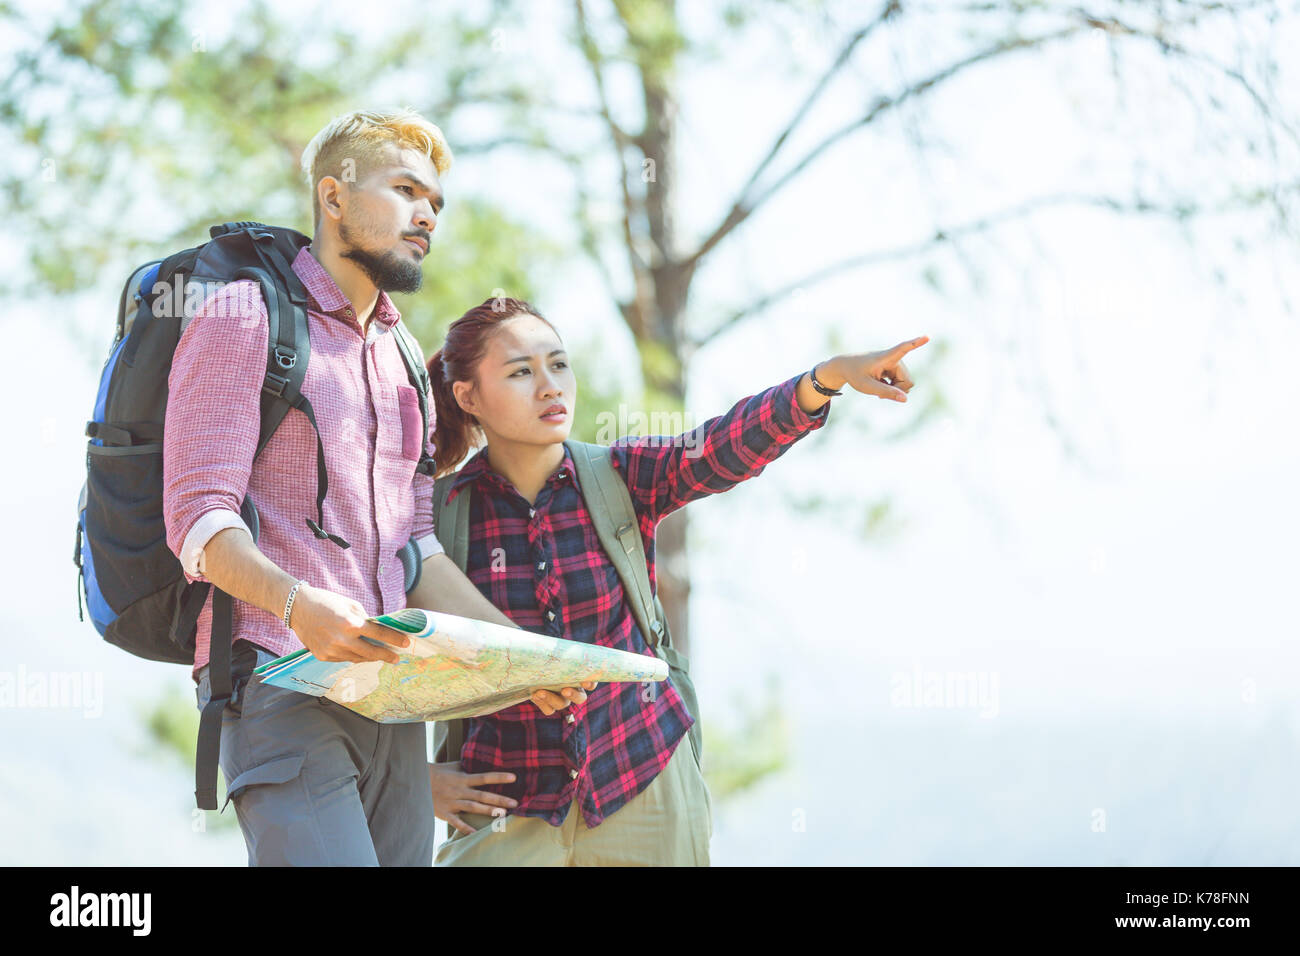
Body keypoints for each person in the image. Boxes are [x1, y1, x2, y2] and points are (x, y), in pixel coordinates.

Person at [165, 109, 588, 867]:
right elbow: (197, 521)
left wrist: (525, 656)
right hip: (276, 683)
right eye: (404, 189)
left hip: (394, 701)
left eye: (436, 202)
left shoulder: (399, 357)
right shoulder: (244, 314)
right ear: (333, 197)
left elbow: (414, 550)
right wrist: (299, 605)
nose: (426, 213)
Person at [425, 295, 928, 866]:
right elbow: (374, 651)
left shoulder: (619, 475)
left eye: (558, 364)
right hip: (503, 806)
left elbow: (723, 446)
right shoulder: (435, 514)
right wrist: (418, 781)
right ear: (468, 396)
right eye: (521, 371)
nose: (549, 386)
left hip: (645, 782)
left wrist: (829, 377)